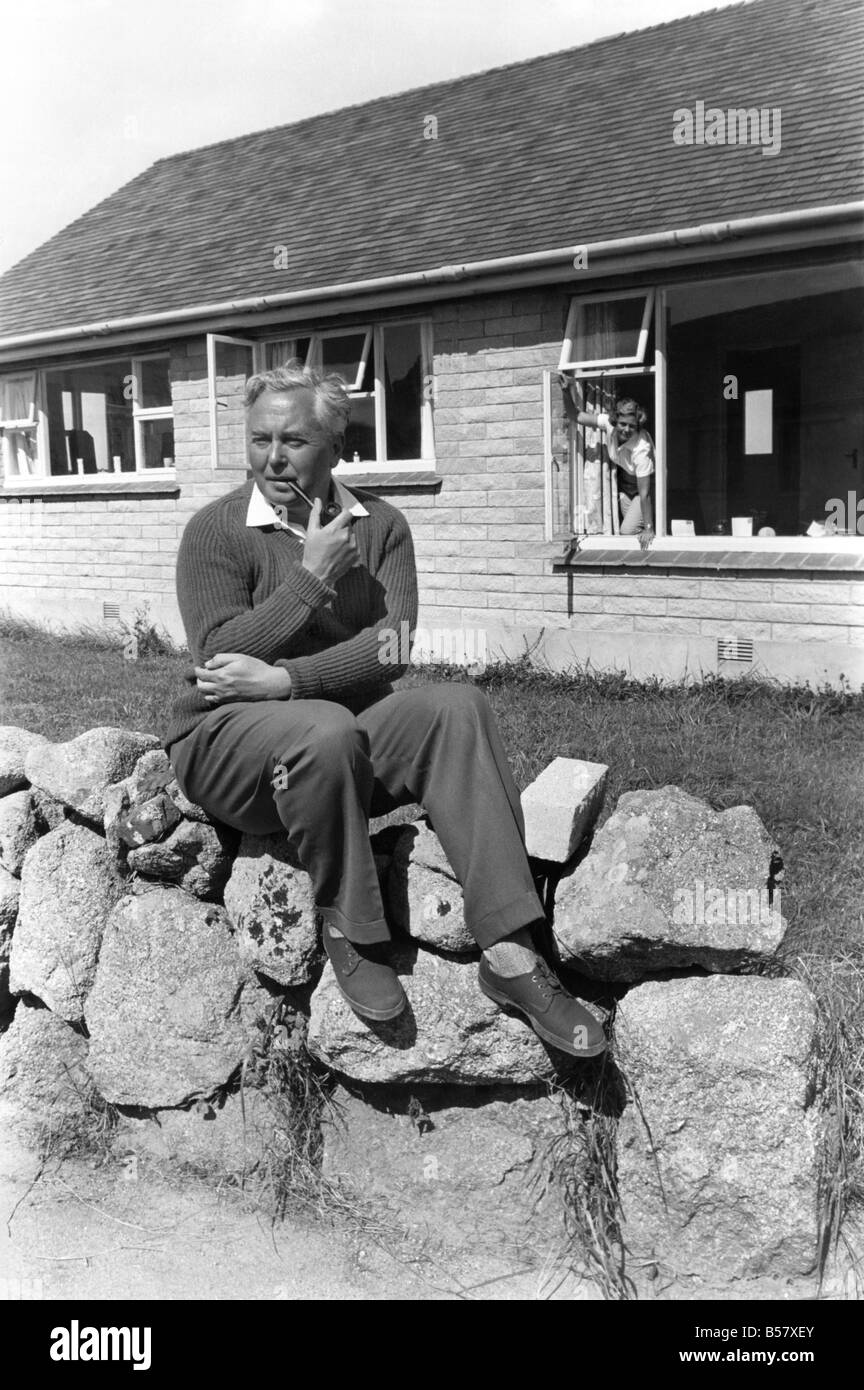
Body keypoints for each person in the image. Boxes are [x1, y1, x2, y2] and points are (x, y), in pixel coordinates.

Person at [163, 361, 606, 1059]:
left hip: (331, 741)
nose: (273, 458)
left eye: (294, 441)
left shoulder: (383, 528)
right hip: (225, 747)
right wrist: (310, 578)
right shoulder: (216, 531)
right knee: (326, 728)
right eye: (258, 440)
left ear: (337, 445)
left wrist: (284, 682)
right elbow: (217, 654)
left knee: (456, 708)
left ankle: (512, 953)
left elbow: (393, 649)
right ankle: (352, 925)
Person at [559, 377, 655, 549]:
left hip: (644, 489)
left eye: (632, 426)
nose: (626, 430)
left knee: (627, 531)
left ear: (638, 425)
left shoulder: (642, 449)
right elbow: (576, 415)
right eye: (622, 424)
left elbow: (645, 493)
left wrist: (649, 528)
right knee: (629, 535)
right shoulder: (607, 423)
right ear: (615, 421)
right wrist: (566, 391)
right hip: (625, 487)